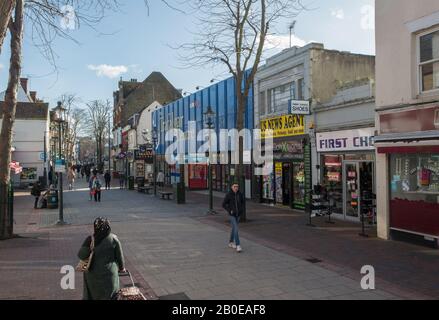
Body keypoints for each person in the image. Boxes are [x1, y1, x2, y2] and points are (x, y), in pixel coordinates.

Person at [77, 217, 126, 300]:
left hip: (93, 276)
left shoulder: (90, 239)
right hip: (110, 276)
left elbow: (81, 255)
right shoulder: (113, 239)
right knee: (111, 296)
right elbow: (120, 257)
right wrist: (122, 268)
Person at [222, 183, 245, 253]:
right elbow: (223, 204)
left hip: (238, 215)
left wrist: (241, 210)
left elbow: (243, 203)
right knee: (236, 229)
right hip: (232, 215)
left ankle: (231, 242)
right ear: (232, 187)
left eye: (237, 186)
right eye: (234, 186)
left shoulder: (240, 194)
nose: (236, 188)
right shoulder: (229, 194)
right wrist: (230, 210)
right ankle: (238, 245)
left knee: (234, 229)